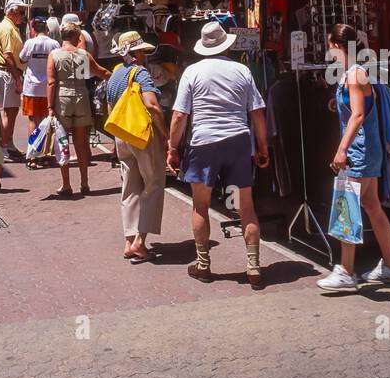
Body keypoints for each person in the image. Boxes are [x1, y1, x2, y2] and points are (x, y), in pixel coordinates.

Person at [168, 20, 270, 289]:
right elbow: (257, 111)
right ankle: (254, 267)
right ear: (226, 44)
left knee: (200, 205)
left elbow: (180, 116)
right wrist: (262, 147)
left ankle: (203, 264)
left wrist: (172, 147)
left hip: (204, 145)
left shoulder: (192, 72)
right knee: (245, 207)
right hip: (238, 142)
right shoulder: (242, 71)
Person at [318, 23, 390, 293]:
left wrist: (342, 149)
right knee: (371, 206)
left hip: (358, 151)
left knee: (347, 207)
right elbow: (357, 107)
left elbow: (357, 115)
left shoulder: (354, 75)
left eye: (329, 44)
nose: (327, 50)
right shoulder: (354, 74)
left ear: (337, 46)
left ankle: (346, 270)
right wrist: (338, 104)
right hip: (368, 149)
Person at [106, 31, 168, 262]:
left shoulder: (114, 75)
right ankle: (140, 242)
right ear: (137, 52)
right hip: (142, 135)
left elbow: (110, 107)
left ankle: (128, 241)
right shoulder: (139, 72)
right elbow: (152, 106)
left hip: (121, 136)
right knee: (153, 184)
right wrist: (166, 135)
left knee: (129, 187)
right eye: (143, 51)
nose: (145, 55)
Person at [47, 24, 110, 199]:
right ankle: (84, 182)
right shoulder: (83, 55)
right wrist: (120, 78)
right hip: (81, 97)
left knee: (62, 142)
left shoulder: (54, 55)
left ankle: (66, 184)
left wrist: (50, 106)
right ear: (77, 36)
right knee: (81, 144)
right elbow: (100, 72)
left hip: (62, 99)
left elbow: (51, 82)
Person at [19, 14, 59, 168]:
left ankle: (33, 156)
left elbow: (22, 59)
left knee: (33, 120)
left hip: (32, 88)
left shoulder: (30, 43)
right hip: (48, 87)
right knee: (48, 121)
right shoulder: (54, 43)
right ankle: (48, 155)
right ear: (47, 29)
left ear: (33, 29)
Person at [0, 0, 28, 160]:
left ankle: (8, 143)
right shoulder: (7, 28)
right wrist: (17, 77)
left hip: (9, 73)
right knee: (8, 112)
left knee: (12, 111)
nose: (23, 15)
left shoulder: (10, 26)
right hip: (8, 73)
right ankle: (3, 147)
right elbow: (7, 55)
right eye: (21, 12)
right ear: (12, 11)